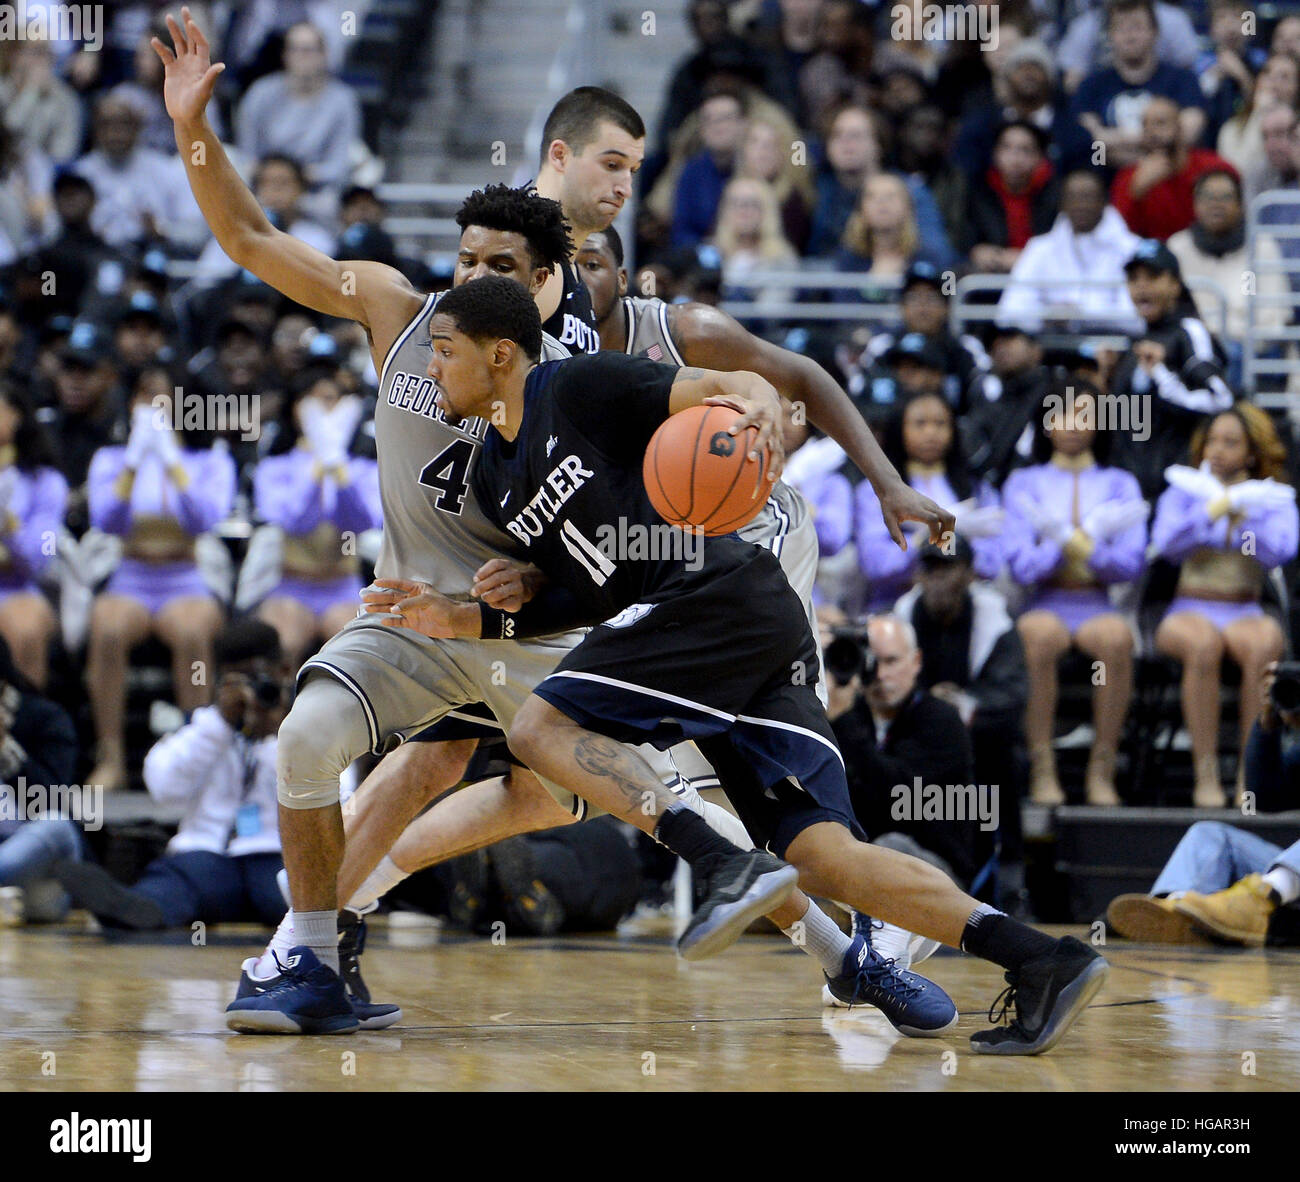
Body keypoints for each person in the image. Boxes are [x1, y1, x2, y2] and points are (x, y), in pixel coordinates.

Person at [153, 11, 961, 1036]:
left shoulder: (575, 357)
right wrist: (193, 127)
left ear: (546, 283)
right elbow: (249, 238)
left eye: (503, 264)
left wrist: (749, 418)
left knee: (631, 795)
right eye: (465, 259)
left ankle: (847, 956)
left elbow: (706, 396)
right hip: (416, 618)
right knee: (352, 749)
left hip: (527, 623)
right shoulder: (399, 314)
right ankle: (307, 952)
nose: (474, 276)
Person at [375, 274, 1110, 1055]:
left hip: (718, 589)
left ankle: (722, 861)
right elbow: (593, 591)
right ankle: (1042, 960)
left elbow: (729, 381)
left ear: (498, 354)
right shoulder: (493, 473)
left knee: (537, 728)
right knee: (827, 858)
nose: (429, 370)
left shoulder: (577, 386)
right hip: (726, 623)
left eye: (442, 352)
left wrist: (754, 402)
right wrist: (478, 616)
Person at [84, 364, 235, 789]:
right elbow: (107, 521)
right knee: (108, 631)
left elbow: (205, 518)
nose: (154, 407)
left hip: (185, 577)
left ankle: (194, 757)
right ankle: (110, 757)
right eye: (145, 397)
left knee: (191, 636)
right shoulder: (111, 459)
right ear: (131, 405)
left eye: (163, 397)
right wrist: (134, 461)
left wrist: (170, 459)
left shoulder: (207, 460)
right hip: (130, 577)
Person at [1001, 379, 1149, 806]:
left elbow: (1132, 560)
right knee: (1038, 635)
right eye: (1062, 413)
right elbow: (1020, 562)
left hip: (1096, 599)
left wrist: (1091, 547)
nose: (1073, 424)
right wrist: (1058, 545)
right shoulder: (1024, 482)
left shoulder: (1119, 482)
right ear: (1045, 423)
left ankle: (1101, 769)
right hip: (1046, 597)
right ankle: (1042, 764)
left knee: (1117, 639)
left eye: (1085, 414)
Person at [1151, 404, 1299, 806]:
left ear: (1252, 452)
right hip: (1189, 607)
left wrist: (1242, 519)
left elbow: (1280, 551)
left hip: (1243, 607)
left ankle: (1249, 773)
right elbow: (1167, 546)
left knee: (1264, 644)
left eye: (1230, 442)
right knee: (1202, 645)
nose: (1217, 450)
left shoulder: (1270, 497)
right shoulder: (1185, 490)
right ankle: (1206, 772)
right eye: (1212, 440)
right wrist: (1208, 513)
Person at [894, 537, 1030, 904]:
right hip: (919, 740)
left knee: (1006, 755)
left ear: (969, 575)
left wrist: (961, 706)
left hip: (980, 744)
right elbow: (883, 688)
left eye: (947, 569)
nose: (937, 579)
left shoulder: (994, 620)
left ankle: (1009, 882)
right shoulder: (902, 620)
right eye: (930, 570)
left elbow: (1012, 694)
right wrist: (929, 709)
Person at [253, 363, 382, 667]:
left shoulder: (361, 469)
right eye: (315, 401)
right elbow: (294, 522)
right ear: (297, 408)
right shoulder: (275, 467)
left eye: (332, 399)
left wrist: (336, 466)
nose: (325, 410)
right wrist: (318, 466)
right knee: (280, 650)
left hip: (342, 586)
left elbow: (361, 522)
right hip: (291, 585)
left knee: (355, 660)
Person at [1107, 238, 1234, 500]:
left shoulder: (1190, 333)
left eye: (1152, 276)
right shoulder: (1133, 346)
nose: (1142, 286)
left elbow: (1220, 400)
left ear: (1175, 285)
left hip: (1181, 490)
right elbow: (1129, 423)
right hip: (1133, 489)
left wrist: (1164, 376)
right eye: (1133, 278)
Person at [854, 387, 1002, 610]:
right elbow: (876, 563)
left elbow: (994, 562)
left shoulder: (977, 489)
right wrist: (924, 539)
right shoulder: (873, 491)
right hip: (894, 602)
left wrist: (960, 544)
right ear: (899, 429)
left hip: (967, 601)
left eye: (940, 424)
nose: (931, 432)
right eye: (920, 424)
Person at [1167, 169, 1288, 385]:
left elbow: (1275, 318)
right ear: (1195, 204)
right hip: (1191, 348)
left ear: (1240, 205)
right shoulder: (1177, 248)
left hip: (1249, 349)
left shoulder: (1261, 246)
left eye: (1226, 197)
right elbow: (1169, 313)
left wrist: (1224, 337)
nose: (1216, 204)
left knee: (1232, 353)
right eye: (1208, 197)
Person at [995, 168, 1143, 333]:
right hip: (1049, 346)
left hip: (1113, 346)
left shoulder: (1132, 249)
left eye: (1087, 197)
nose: (1080, 205)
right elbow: (1009, 311)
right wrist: (1047, 314)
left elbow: (1137, 316)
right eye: (1073, 197)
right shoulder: (1040, 248)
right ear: (1062, 203)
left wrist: (1080, 315)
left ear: (1104, 201)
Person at [0, 636, 82, 926]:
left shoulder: (45, 718)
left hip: (37, 867)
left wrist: (5, 748)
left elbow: (51, 801)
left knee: (57, 825)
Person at [1071, 0, 1206, 167]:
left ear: (1154, 32)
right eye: (1120, 28)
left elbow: (1189, 133)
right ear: (1109, 36)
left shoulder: (1183, 80)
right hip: (1108, 180)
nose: (1130, 35)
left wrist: (1112, 138)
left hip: (1170, 175)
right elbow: (1089, 141)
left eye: (1137, 27)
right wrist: (1159, 139)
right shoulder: (1091, 86)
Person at [844, 261, 989, 418]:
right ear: (901, 306)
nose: (922, 306)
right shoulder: (882, 346)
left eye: (931, 297)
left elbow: (986, 396)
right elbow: (857, 394)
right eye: (913, 297)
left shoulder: (966, 348)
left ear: (946, 306)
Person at [234, 20, 361, 197]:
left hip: (317, 190)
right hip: (263, 185)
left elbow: (340, 162)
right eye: (295, 49)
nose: (302, 57)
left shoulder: (343, 100)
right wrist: (272, 178)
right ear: (285, 55)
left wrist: (299, 178)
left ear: (324, 55)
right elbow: (247, 153)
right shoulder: (260, 92)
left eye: (309, 50)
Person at [0, 383, 67, 690]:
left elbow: (41, 557)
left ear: (17, 417)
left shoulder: (47, 481)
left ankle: (23, 728)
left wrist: (9, 523)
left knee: (23, 628)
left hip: (20, 587)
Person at [1110, 96, 1238, 241]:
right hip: (1155, 259)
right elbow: (1118, 234)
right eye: (1145, 125)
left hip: (1209, 251)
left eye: (1160, 123)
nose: (1151, 132)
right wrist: (1136, 192)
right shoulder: (1128, 178)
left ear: (1179, 127)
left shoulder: (1213, 167)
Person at [961, 120, 1059, 276]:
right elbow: (966, 236)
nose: (1015, 158)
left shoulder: (1056, 195)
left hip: (1043, 274)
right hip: (993, 272)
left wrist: (1026, 258)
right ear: (995, 153)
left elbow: (1059, 247)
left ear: (1040, 157)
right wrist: (976, 250)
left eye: (1025, 150)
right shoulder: (978, 191)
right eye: (1007, 148)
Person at [961, 324, 1051, 487]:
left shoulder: (1054, 390)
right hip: (990, 488)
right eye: (995, 345)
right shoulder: (983, 391)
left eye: (1009, 341)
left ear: (1036, 350)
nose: (1001, 348)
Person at [670, 89, 747, 249]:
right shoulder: (690, 173)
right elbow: (682, 232)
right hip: (705, 263)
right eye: (709, 120)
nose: (718, 127)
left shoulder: (758, 167)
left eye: (725, 119)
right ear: (701, 129)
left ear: (743, 124)